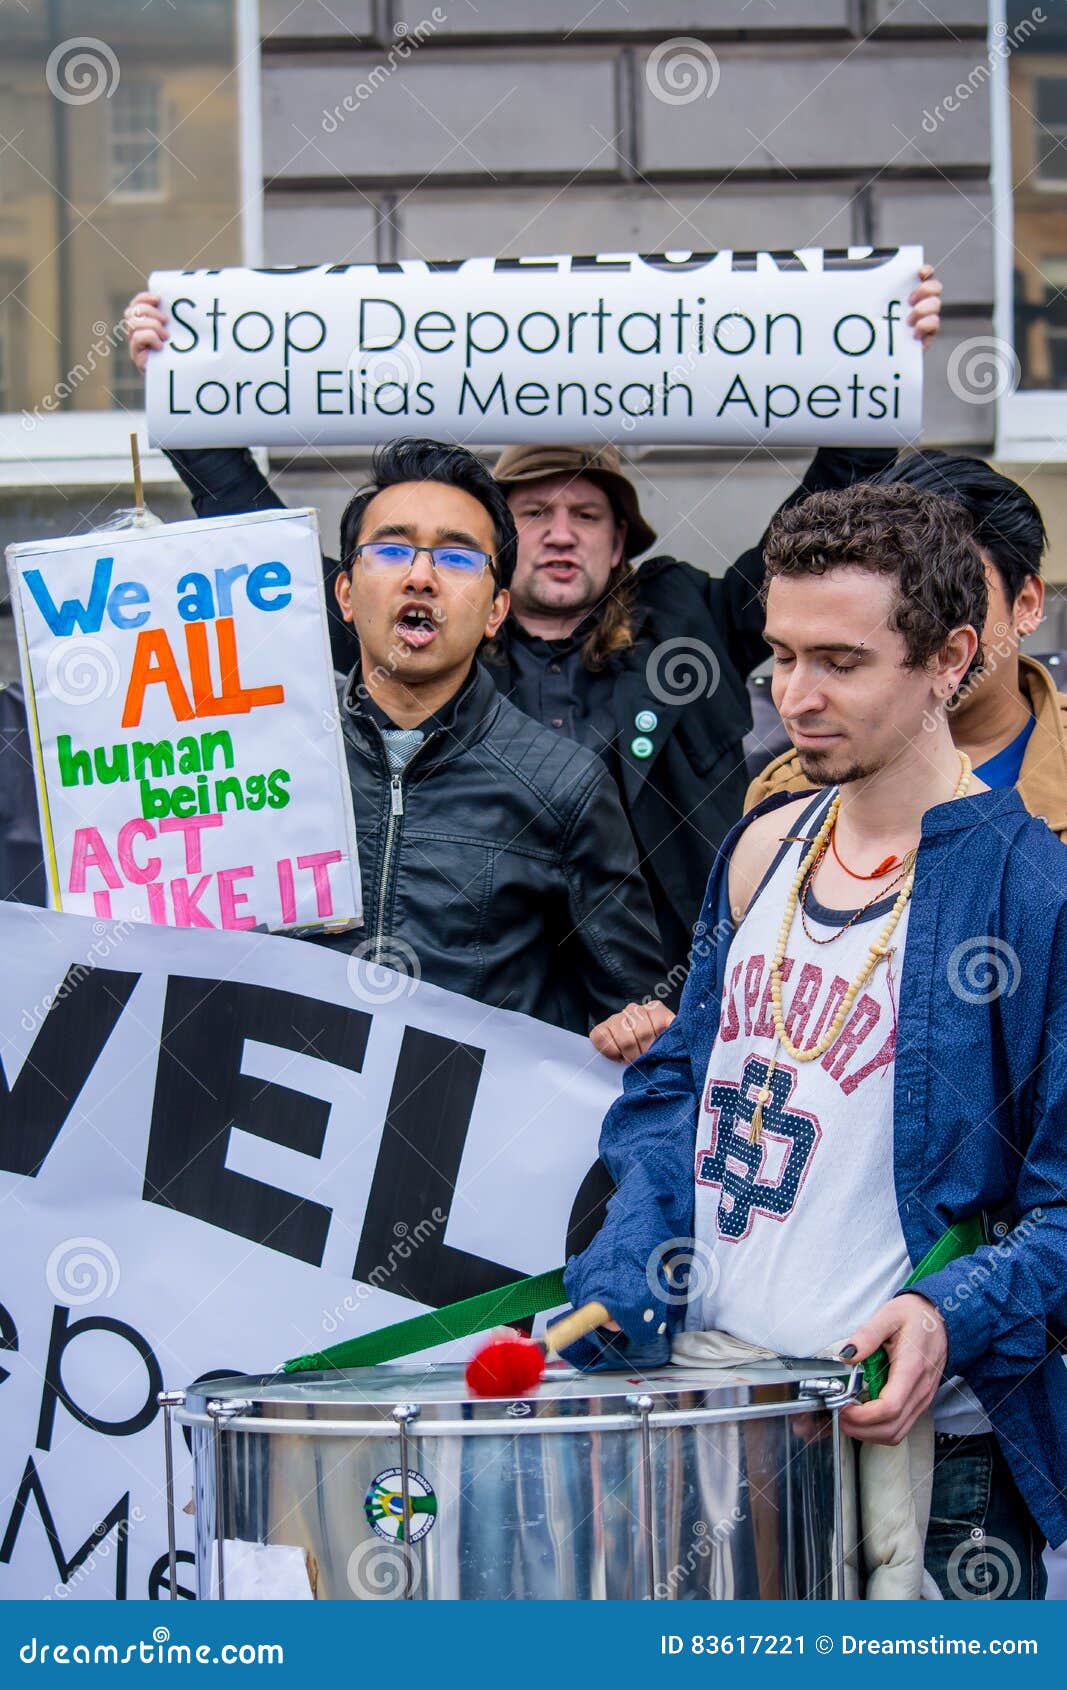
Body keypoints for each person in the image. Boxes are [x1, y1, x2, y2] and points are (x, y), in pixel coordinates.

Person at [123, 266, 943, 987]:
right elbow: (282, 567)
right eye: (535, 512)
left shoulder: (692, 616)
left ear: (620, 541)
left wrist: (872, 360)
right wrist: (187, 390)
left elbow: (819, 526)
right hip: (489, 1012)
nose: (560, 531)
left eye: (586, 514)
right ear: (499, 554)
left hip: (672, 997)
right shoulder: (433, 638)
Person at [561, 481, 1067, 1597]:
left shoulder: (1035, 894)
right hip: (716, 1424)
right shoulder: (759, 846)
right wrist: (628, 1261)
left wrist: (947, 1308)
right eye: (779, 658)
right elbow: (674, 1095)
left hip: (939, 1466)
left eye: (840, 662)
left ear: (947, 659)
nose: (796, 695)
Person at [296, 434, 665, 1039]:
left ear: (496, 610)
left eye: (458, 558)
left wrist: (635, 1030)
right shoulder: (275, 754)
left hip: (474, 1128)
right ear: (344, 593)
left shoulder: (564, 785)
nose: (421, 576)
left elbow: (635, 1011)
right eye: (391, 550)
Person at [747, 451, 1067, 838]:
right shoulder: (791, 791)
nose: (919, 626)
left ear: (1027, 604)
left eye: (960, 595)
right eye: (783, 656)